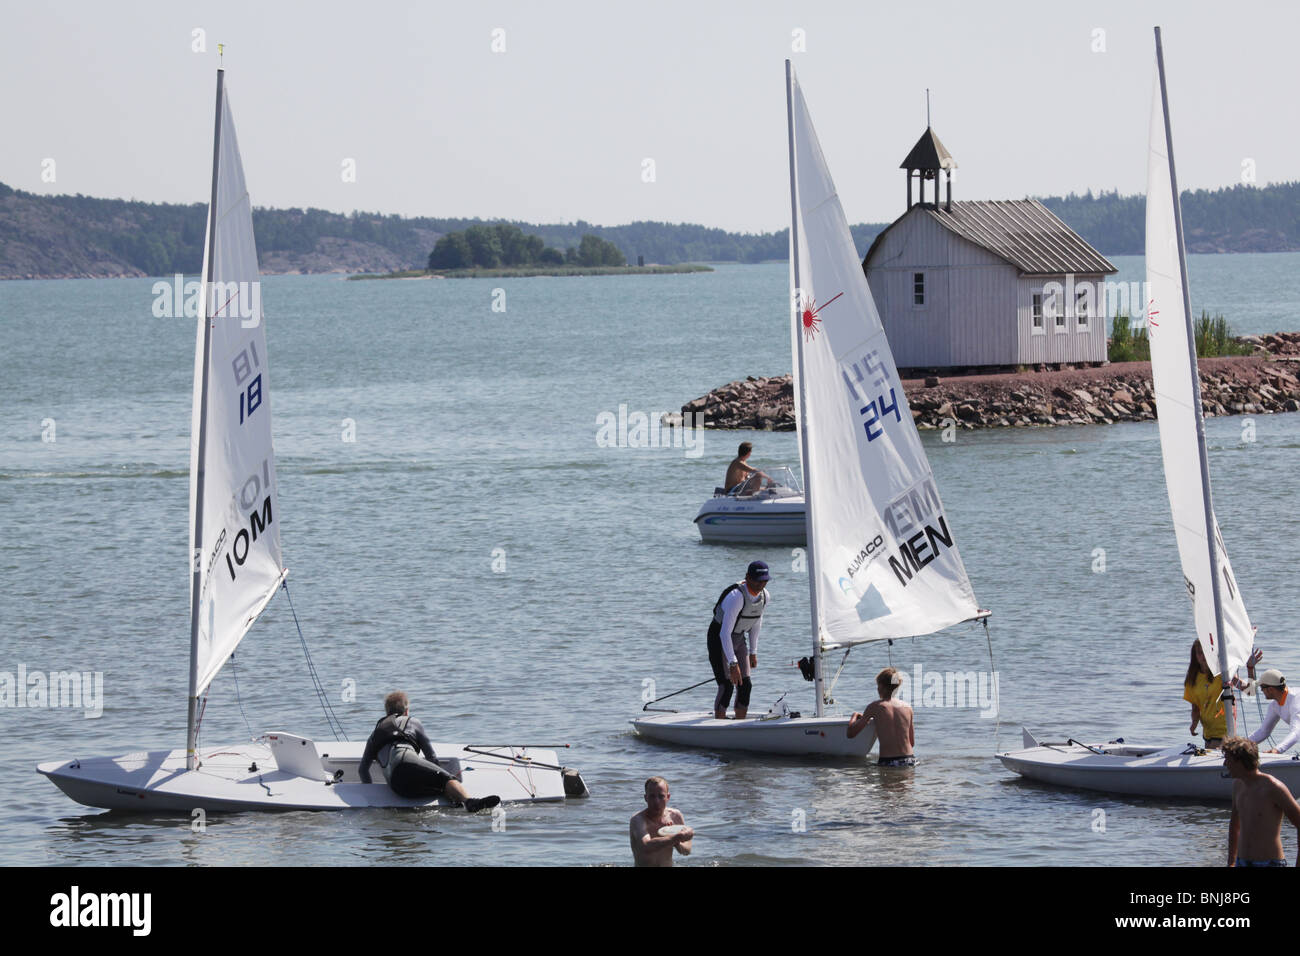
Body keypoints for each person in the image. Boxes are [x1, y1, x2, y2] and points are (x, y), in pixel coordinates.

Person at [358, 690, 500, 812]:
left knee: (438, 787)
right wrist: (444, 776)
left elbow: (363, 770)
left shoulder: (374, 735)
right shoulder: (412, 722)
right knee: (445, 779)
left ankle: (455, 799)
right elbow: (431, 757)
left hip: (398, 787)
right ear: (406, 711)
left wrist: (370, 793)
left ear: (386, 712)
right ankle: (470, 802)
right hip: (405, 761)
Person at [1224, 736, 1300, 867]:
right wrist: (1231, 862)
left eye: (1228, 760)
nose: (1225, 764)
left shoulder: (1273, 787)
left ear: (1240, 762)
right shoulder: (1238, 785)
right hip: (1242, 862)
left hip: (1269, 863)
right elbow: (1235, 825)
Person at [707, 561, 769, 720]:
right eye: (757, 580)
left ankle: (739, 723)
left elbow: (756, 622)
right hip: (719, 638)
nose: (761, 584)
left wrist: (753, 652)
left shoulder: (765, 596)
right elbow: (724, 633)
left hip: (739, 638)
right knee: (726, 685)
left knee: (745, 684)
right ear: (747, 577)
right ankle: (719, 723)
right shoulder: (736, 597)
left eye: (764, 580)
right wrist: (733, 664)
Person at [847, 667, 915, 767]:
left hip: (888, 761)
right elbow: (911, 743)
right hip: (910, 760)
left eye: (878, 685)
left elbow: (851, 733)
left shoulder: (875, 707)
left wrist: (854, 715)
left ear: (881, 686)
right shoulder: (908, 707)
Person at [629, 776, 693, 867]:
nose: (656, 801)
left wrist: (676, 842)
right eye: (652, 796)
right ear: (645, 798)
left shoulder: (675, 816)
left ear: (668, 797)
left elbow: (687, 851)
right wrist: (675, 837)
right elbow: (646, 846)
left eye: (661, 796)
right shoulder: (638, 819)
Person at [1242, 665, 1300, 754]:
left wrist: (1277, 750)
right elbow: (1263, 731)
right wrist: (1240, 744)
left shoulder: (1296, 699)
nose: (1261, 691)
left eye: (1261, 688)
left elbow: (1296, 732)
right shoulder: (1274, 706)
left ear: (1270, 689)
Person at [1184, 640, 1226, 749]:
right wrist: (1194, 723)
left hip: (1224, 730)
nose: (1203, 656)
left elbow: (1249, 691)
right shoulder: (1192, 679)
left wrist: (1250, 668)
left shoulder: (1223, 673)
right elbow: (1195, 706)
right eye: (1200, 653)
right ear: (1195, 656)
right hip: (1208, 732)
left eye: (1206, 652)